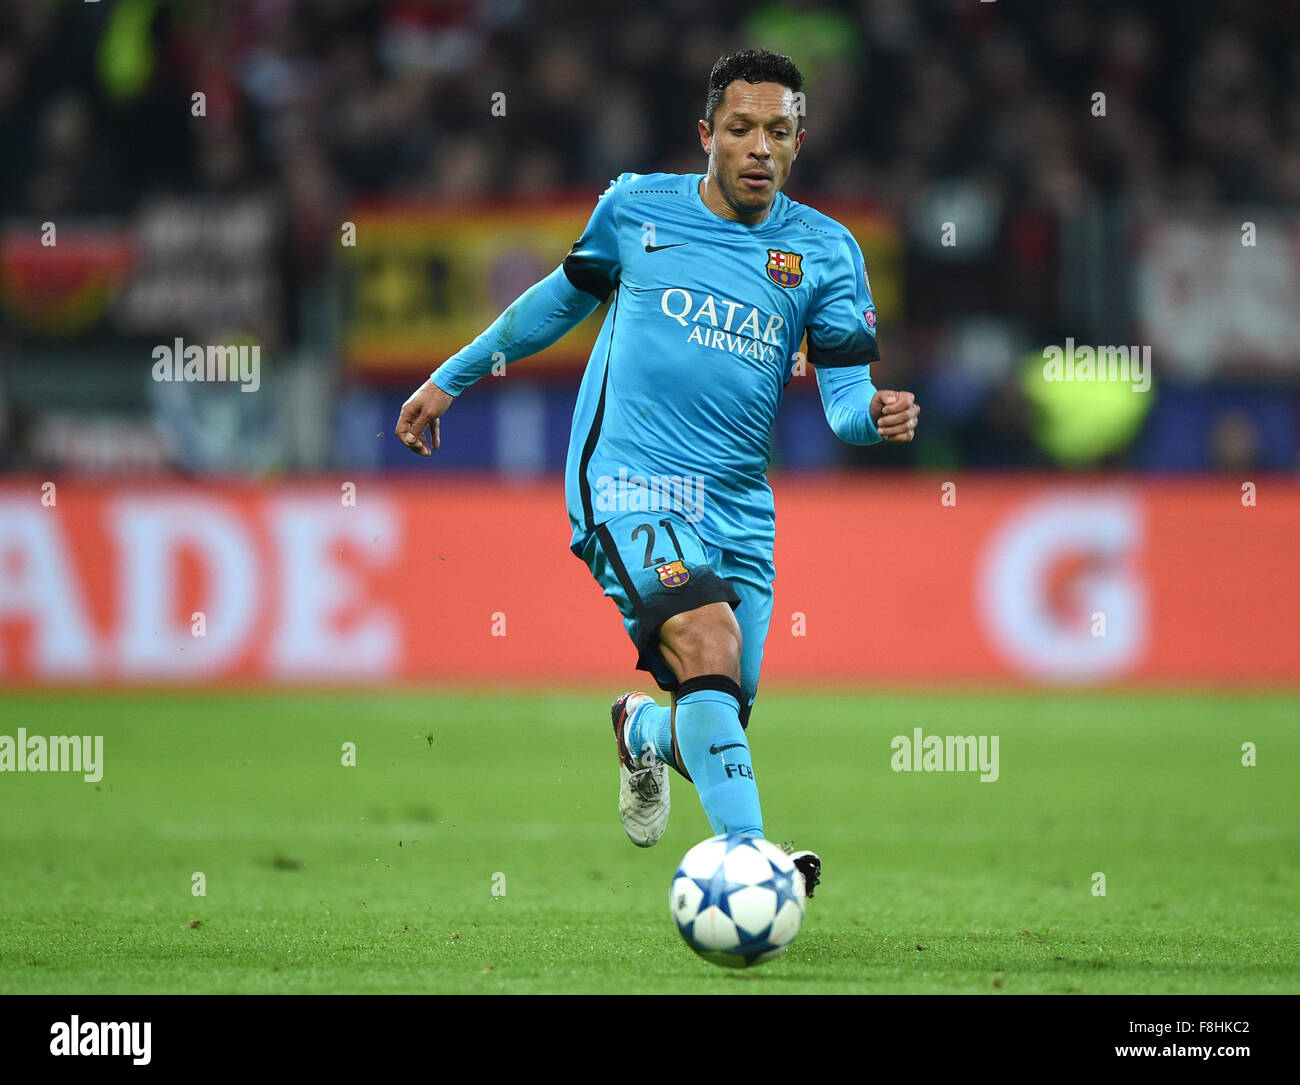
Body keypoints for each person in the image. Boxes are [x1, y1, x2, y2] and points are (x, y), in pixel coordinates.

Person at [396, 49, 919, 899]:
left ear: (798, 142)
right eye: (742, 128)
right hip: (629, 480)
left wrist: (878, 415)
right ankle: (753, 861)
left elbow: (844, 400)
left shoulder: (826, 251)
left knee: (719, 706)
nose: (759, 148)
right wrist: (450, 376)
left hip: (739, 507)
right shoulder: (637, 208)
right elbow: (558, 302)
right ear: (706, 133)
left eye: (778, 132)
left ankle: (642, 729)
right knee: (707, 640)